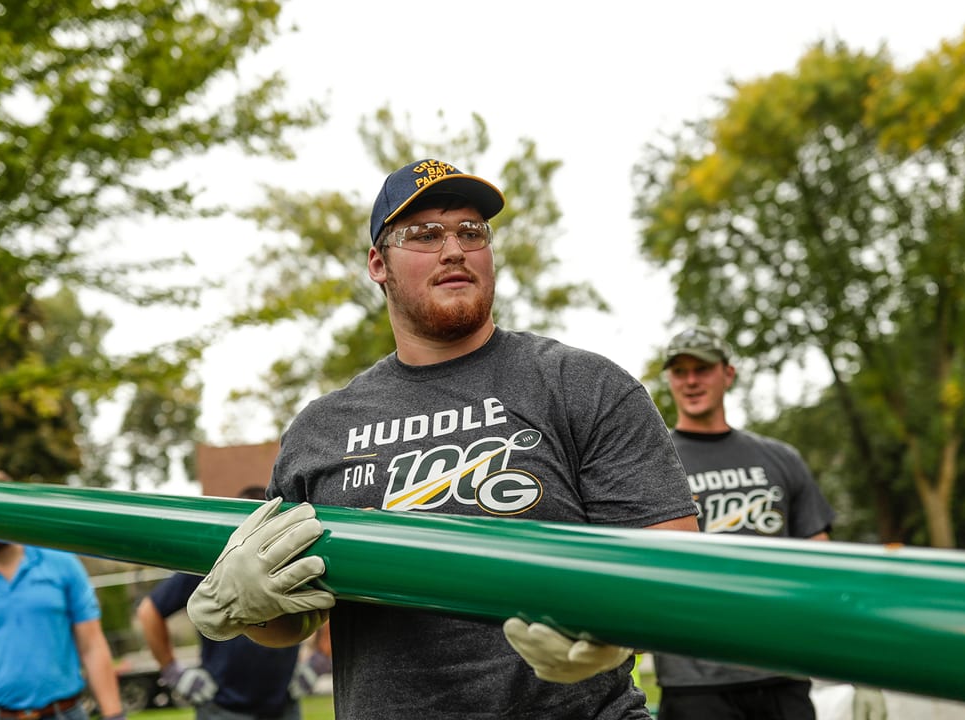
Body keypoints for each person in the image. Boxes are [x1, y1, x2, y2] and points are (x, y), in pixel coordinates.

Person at [186, 158, 700, 719]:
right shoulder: (320, 431)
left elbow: (679, 567)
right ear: (378, 265)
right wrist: (256, 612)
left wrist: (615, 630)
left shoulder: (583, 385)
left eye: (471, 232)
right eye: (425, 235)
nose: (454, 249)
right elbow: (293, 616)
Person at [652, 326, 836, 720]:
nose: (691, 381)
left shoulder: (781, 458)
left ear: (728, 374)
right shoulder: (650, 463)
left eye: (702, 368)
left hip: (781, 671)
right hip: (694, 683)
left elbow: (822, 566)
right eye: (680, 371)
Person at [0, 469, 125, 720]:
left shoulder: (63, 566)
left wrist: (114, 715)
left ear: (13, 509)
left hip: (64, 713)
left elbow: (92, 646)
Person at [135, 486, 303, 720]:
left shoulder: (289, 560)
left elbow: (331, 602)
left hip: (282, 705)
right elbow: (149, 612)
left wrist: (318, 660)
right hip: (221, 709)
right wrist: (174, 673)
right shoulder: (211, 563)